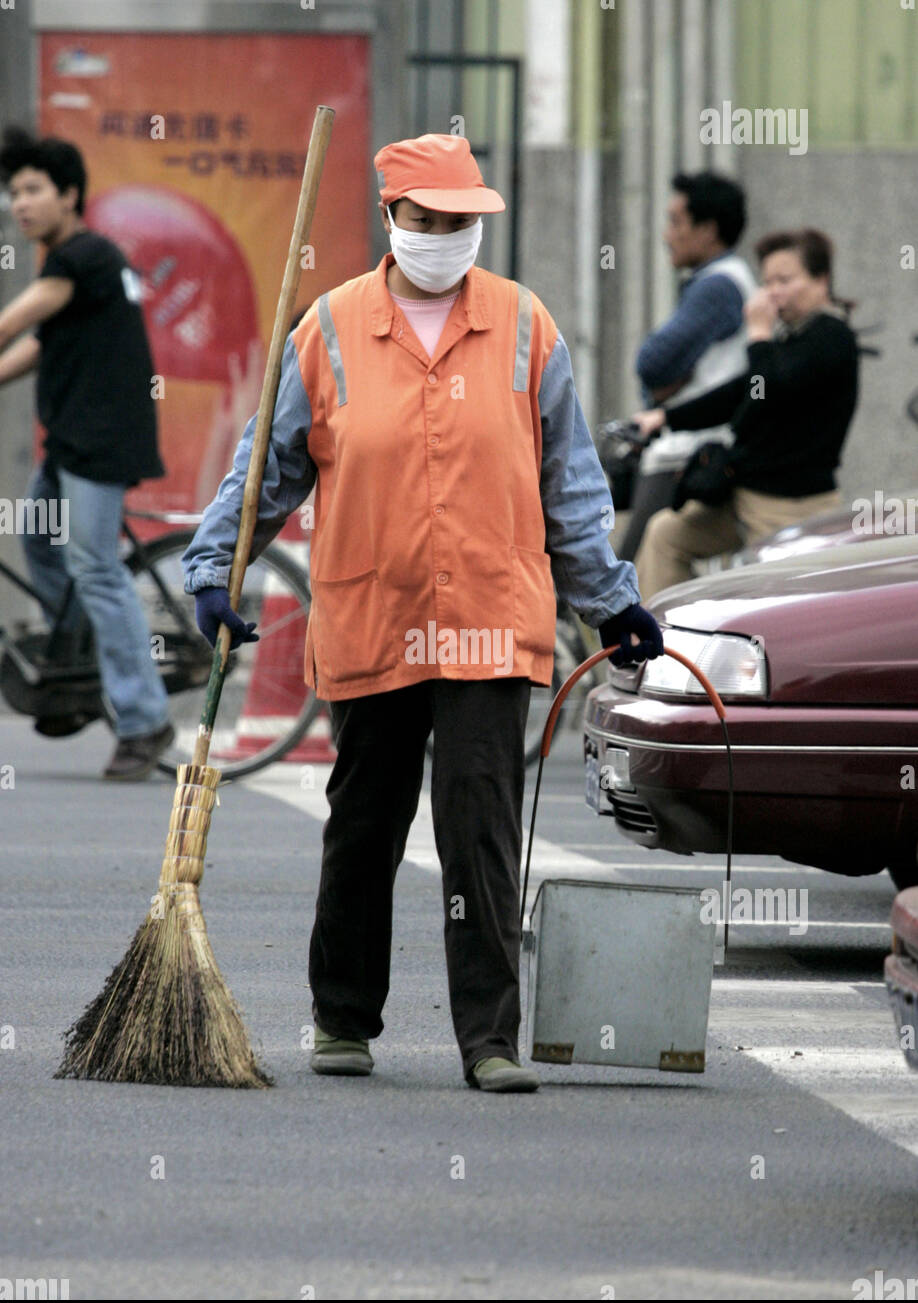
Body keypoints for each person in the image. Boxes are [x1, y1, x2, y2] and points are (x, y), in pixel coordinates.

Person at [181, 133, 664, 1094]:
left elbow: (567, 481)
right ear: (391, 218)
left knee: (477, 822)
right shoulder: (325, 330)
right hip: (375, 615)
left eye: (462, 222)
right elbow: (261, 477)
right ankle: (343, 1018)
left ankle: (489, 1038)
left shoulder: (527, 328)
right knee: (364, 817)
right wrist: (210, 574)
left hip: (491, 620)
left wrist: (610, 600)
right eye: (428, 219)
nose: (446, 235)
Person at [0, 126, 173, 778]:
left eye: (33, 189)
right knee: (38, 536)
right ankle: (75, 663)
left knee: (96, 568)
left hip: (99, 444)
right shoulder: (72, 268)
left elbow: (13, 322)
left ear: (69, 194)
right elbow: (38, 345)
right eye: (13, 192)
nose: (20, 203)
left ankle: (144, 720)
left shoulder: (86, 255)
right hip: (72, 440)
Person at [631, 228, 859, 597]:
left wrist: (757, 335)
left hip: (789, 506)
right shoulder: (789, 338)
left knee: (782, 603)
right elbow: (739, 391)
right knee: (666, 534)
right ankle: (662, 649)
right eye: (767, 281)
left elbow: (766, 391)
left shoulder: (832, 337)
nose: (772, 292)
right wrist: (667, 417)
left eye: (785, 280)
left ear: (821, 280)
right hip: (743, 494)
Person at [616, 171, 756, 561]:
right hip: (696, 447)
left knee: (633, 575)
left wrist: (666, 386)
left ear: (709, 230)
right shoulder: (727, 280)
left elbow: (652, 362)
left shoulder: (717, 286)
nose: (666, 235)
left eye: (676, 221)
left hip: (686, 453)